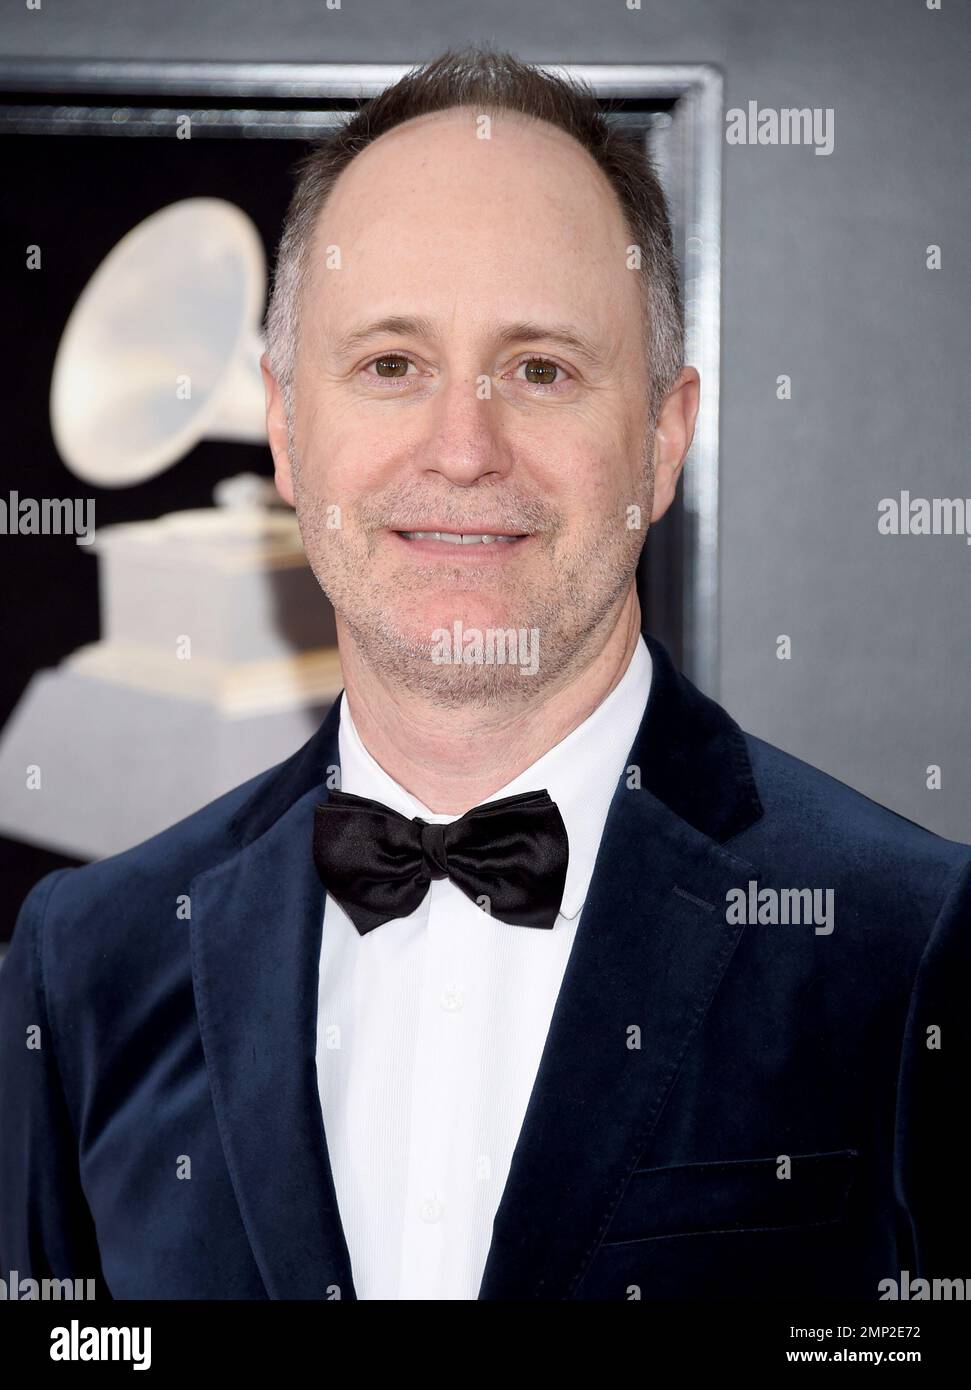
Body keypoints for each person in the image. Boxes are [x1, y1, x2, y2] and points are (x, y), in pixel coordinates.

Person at [1, 46, 968, 1302]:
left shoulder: (910, 939)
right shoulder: (88, 961)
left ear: (662, 441)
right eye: (391, 364)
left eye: (542, 368)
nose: (463, 449)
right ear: (286, 430)